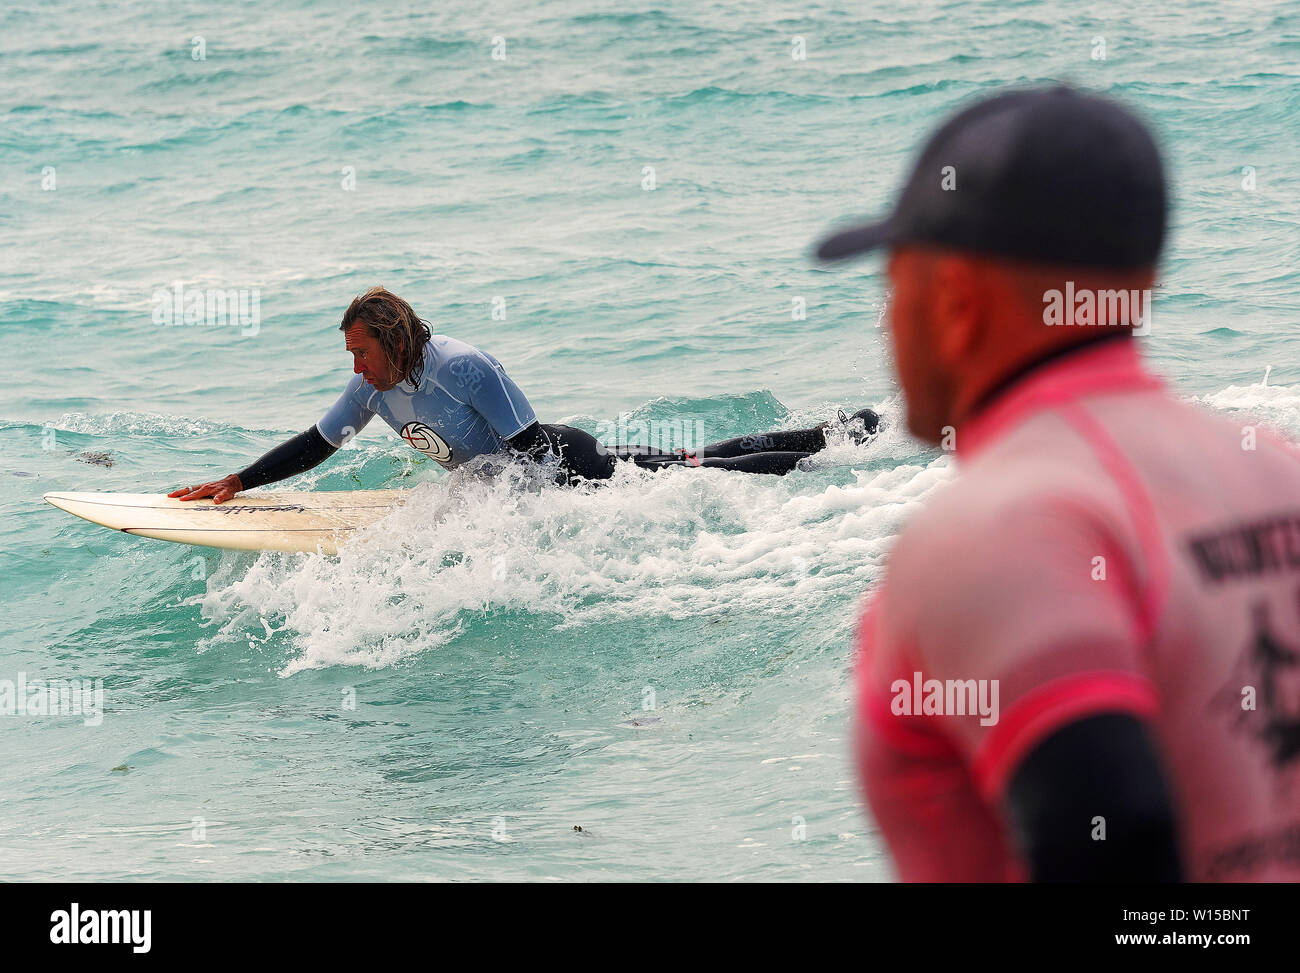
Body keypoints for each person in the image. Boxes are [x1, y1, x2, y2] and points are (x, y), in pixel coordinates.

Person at [816, 84, 1300, 881]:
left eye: (891, 286)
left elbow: (1117, 835)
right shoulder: (1272, 468)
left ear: (957, 305)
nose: (885, 321)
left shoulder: (995, 529)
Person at [170, 287, 880, 503]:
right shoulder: (372, 394)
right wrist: (238, 480)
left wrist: (529, 514)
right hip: (530, 472)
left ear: (391, 339)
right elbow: (316, 445)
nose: (354, 366)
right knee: (693, 459)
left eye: (361, 350)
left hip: (570, 464)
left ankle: (831, 446)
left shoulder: (463, 366)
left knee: (700, 470)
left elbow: (533, 450)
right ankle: (830, 432)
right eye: (351, 355)